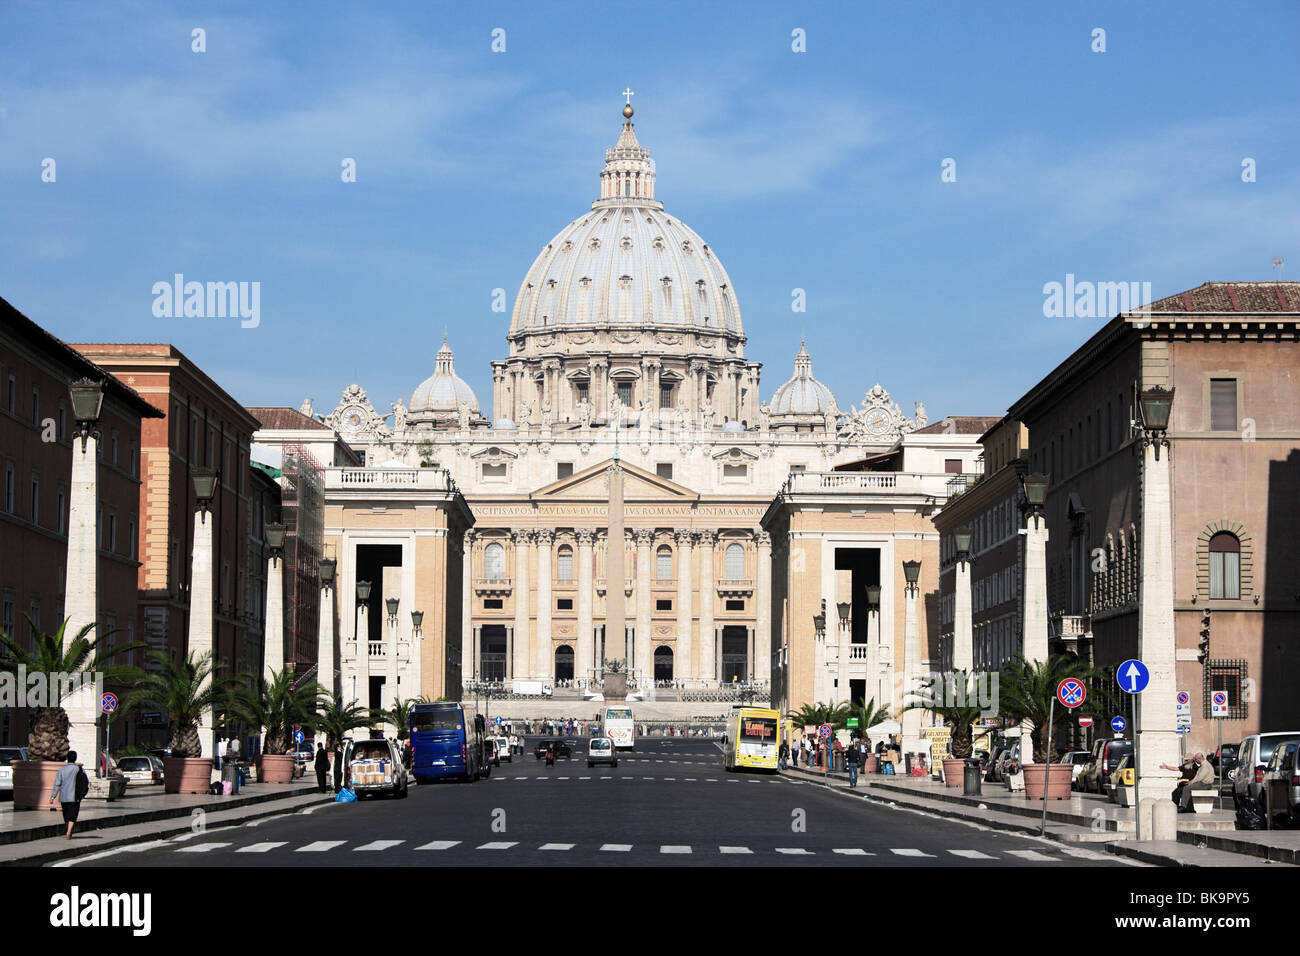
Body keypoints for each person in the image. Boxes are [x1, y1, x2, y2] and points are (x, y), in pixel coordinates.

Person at [49, 751, 84, 840]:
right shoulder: (78, 769)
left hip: (64, 797)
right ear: (75, 758)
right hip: (74, 797)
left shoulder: (61, 770)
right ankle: (69, 832)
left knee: (66, 815)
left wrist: (53, 796)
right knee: (73, 815)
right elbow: (84, 782)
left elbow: (57, 784)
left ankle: (68, 830)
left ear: (67, 758)